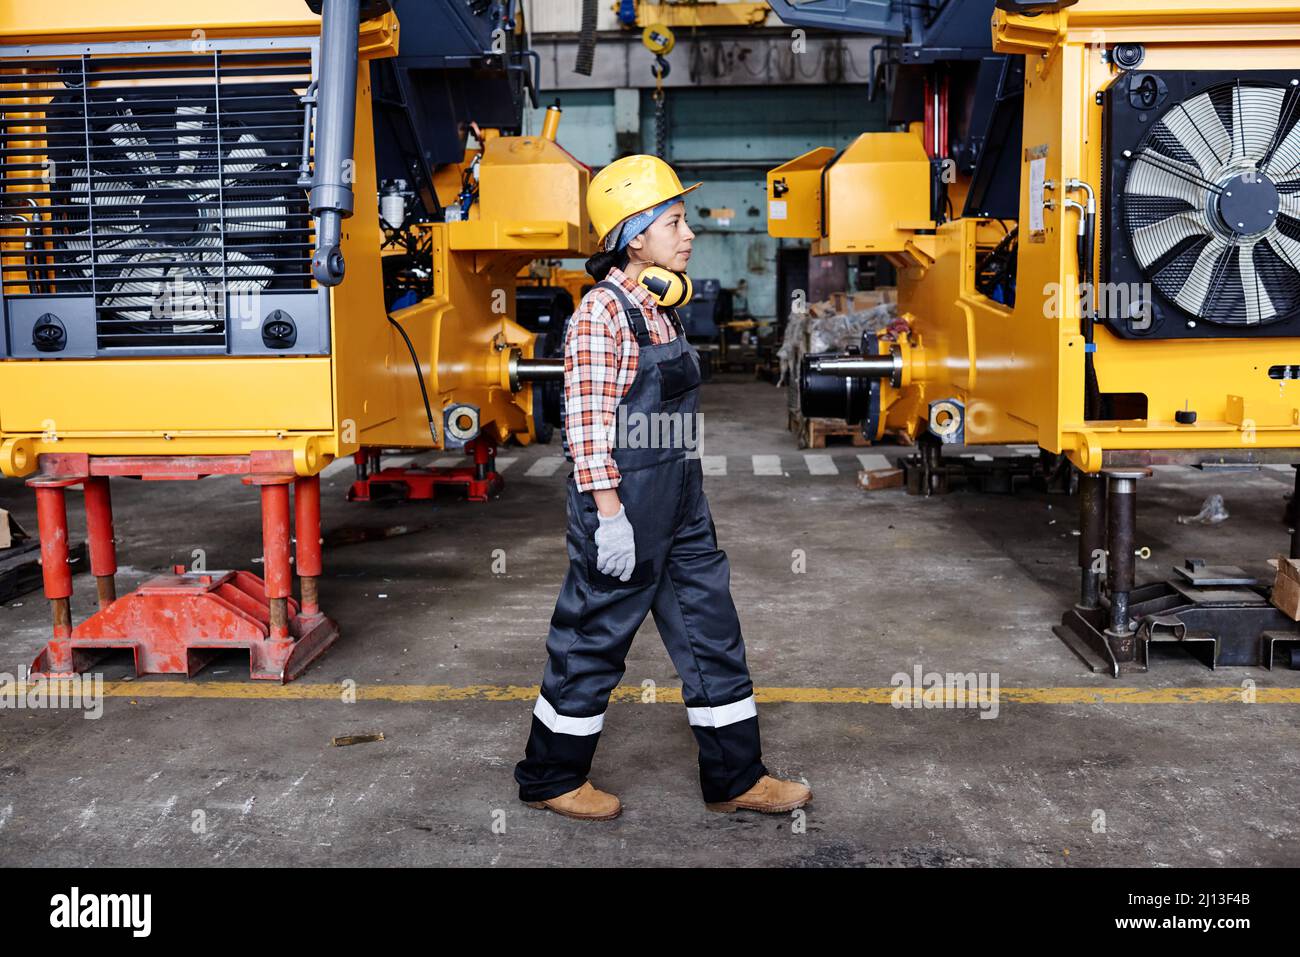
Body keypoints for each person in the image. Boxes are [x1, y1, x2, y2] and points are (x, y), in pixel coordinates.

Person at [513, 154, 813, 821]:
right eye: (674, 221)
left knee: (713, 632)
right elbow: (587, 428)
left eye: (683, 220)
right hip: (624, 506)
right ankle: (550, 776)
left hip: (680, 503)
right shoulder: (602, 314)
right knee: (593, 636)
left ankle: (736, 775)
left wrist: (682, 504)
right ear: (634, 236)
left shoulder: (662, 311)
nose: (689, 233)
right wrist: (610, 515)